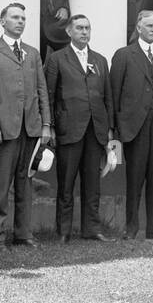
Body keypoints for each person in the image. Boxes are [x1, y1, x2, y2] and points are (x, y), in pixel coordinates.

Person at [0, 2, 52, 248]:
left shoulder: (32, 53)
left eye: (23, 18)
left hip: (30, 129)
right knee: (1, 185)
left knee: (25, 183)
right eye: (15, 17)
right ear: (2, 21)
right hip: (2, 130)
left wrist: (46, 125)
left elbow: (42, 91)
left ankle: (23, 234)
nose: (20, 22)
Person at [111, 10, 153, 242]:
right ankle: (131, 227)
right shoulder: (124, 55)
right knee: (135, 176)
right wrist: (115, 126)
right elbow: (114, 92)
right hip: (135, 125)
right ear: (139, 28)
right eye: (149, 26)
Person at [44, 14, 113, 243]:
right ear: (69, 32)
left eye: (87, 28)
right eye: (80, 28)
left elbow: (108, 98)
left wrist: (109, 130)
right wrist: (50, 127)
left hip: (96, 130)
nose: (84, 32)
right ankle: (63, 231)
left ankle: (91, 228)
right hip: (69, 129)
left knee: (92, 182)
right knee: (66, 183)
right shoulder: (57, 59)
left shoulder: (100, 60)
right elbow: (49, 95)